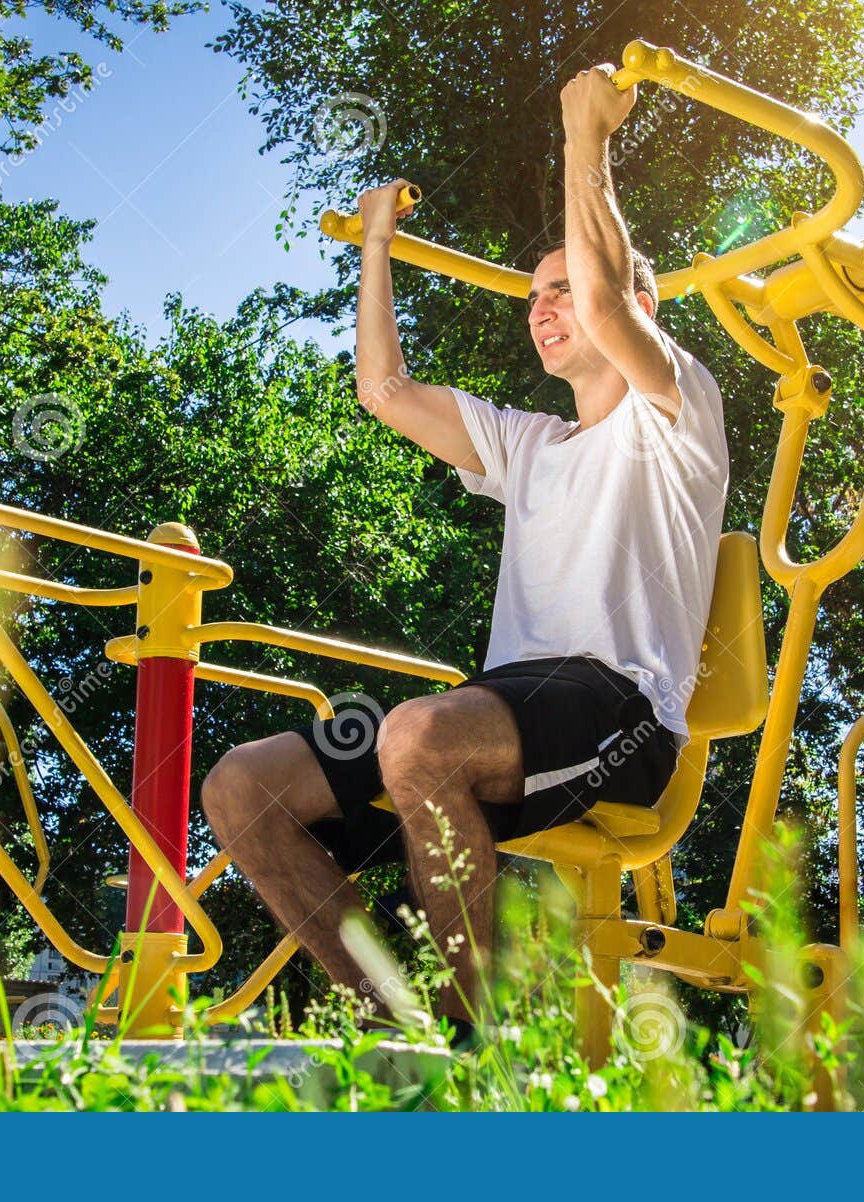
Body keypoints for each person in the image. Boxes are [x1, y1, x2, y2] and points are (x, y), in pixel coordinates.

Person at [201, 64, 728, 1045]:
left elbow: (613, 308)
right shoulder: (529, 442)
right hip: (511, 709)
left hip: (619, 713)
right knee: (241, 787)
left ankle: (466, 1039)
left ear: (638, 307)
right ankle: (388, 1024)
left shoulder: (677, 410)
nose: (544, 307)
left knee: (414, 735)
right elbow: (386, 391)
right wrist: (375, 246)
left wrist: (586, 137)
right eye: (535, 295)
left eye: (564, 288)